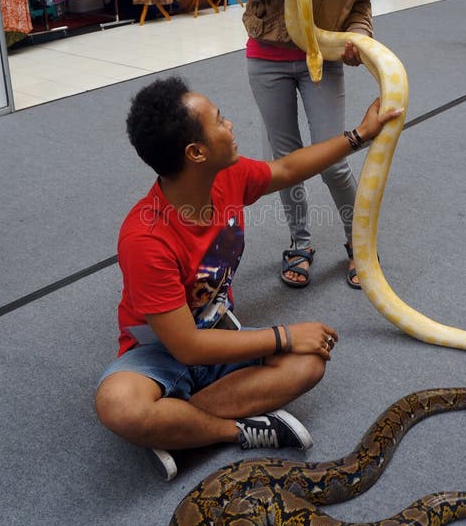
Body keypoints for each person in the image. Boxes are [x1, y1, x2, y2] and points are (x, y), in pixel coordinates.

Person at [95, 76, 401, 479]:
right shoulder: (145, 238)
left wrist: (359, 135)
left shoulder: (227, 178)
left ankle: (174, 426)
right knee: (118, 405)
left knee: (310, 362)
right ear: (196, 152)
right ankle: (233, 431)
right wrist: (285, 335)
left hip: (219, 335)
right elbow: (185, 346)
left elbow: (288, 168)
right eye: (220, 121)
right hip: (161, 351)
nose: (231, 125)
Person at [232, 0, 404, 290]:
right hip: (266, 58)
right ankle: (300, 241)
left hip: (324, 59)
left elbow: (363, 1)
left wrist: (358, 36)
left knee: (334, 158)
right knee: (285, 163)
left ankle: (358, 244)